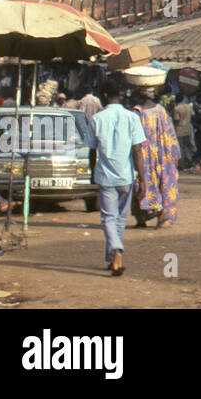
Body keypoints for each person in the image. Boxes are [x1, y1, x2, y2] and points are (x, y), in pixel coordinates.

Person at [84, 81, 148, 277]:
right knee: (120, 218)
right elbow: (137, 149)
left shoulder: (97, 119)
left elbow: (92, 150)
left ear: (103, 96)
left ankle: (116, 251)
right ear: (120, 96)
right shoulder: (132, 117)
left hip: (105, 176)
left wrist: (91, 172)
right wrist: (142, 178)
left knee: (108, 218)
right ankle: (113, 258)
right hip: (126, 175)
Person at [133, 87, 181, 228]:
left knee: (151, 183)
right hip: (152, 156)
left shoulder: (146, 111)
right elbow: (170, 132)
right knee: (153, 183)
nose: (151, 93)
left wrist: (173, 154)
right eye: (149, 90)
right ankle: (152, 217)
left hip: (153, 155)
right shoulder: (147, 111)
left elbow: (169, 131)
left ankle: (152, 218)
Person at [172, 94, 195, 170]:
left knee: (180, 147)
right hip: (188, 129)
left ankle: (182, 165)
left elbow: (176, 119)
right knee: (187, 146)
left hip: (180, 129)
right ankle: (190, 162)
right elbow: (193, 114)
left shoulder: (176, 108)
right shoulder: (189, 106)